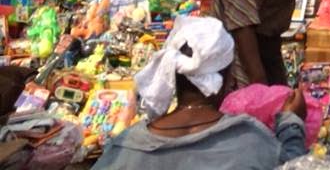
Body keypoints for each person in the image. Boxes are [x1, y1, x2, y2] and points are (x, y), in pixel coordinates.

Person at [94, 16, 306, 169]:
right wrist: (291, 123)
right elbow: (295, 164)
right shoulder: (251, 140)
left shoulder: (125, 149)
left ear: (173, 73)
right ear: (228, 77)